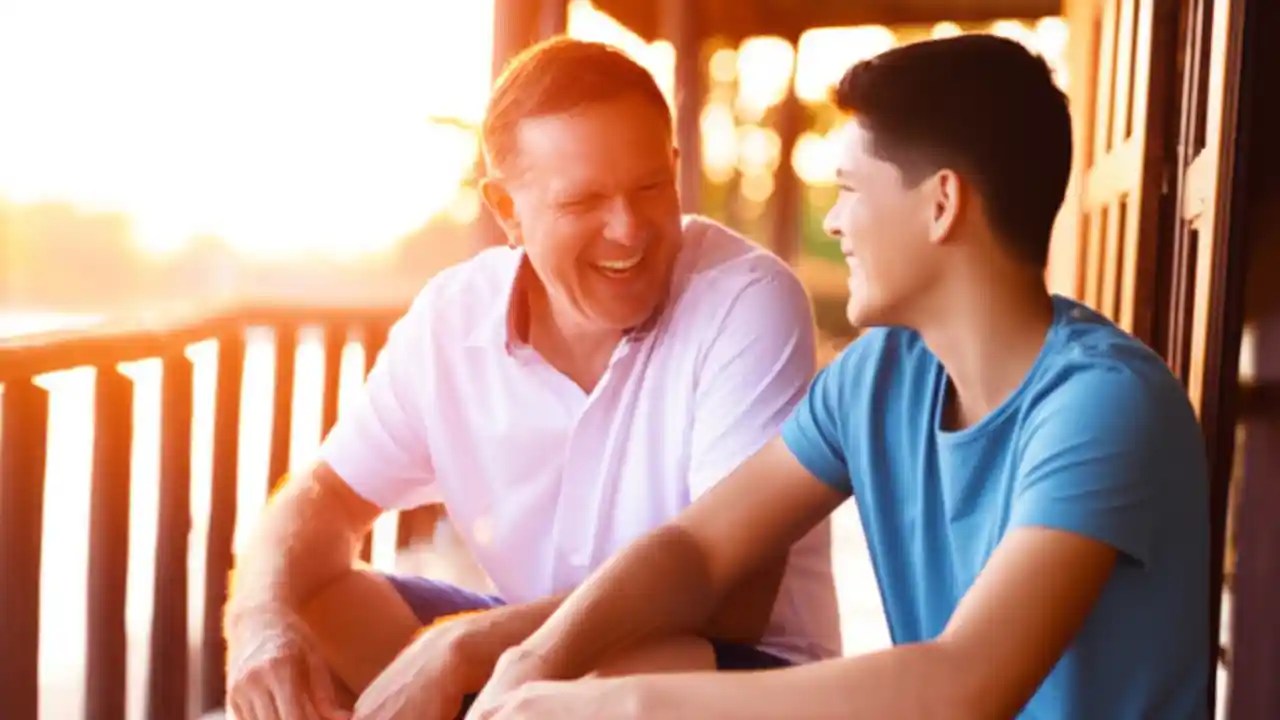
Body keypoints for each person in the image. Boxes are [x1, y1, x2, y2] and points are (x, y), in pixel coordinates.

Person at [469, 35, 1210, 720]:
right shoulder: (881, 377)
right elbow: (696, 552)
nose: (834, 223)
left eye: (851, 189)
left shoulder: (1103, 404)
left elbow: (966, 682)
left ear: (942, 204)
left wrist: (622, 708)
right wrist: (535, 658)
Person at [222, 38, 841, 720]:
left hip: (737, 675)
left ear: (674, 168)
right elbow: (322, 495)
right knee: (302, 600)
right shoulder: (452, 317)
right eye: (584, 203)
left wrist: (465, 648)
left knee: (590, 669)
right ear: (506, 211)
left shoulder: (745, 298)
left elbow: (733, 602)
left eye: (650, 187)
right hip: (535, 655)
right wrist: (258, 627)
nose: (629, 230)